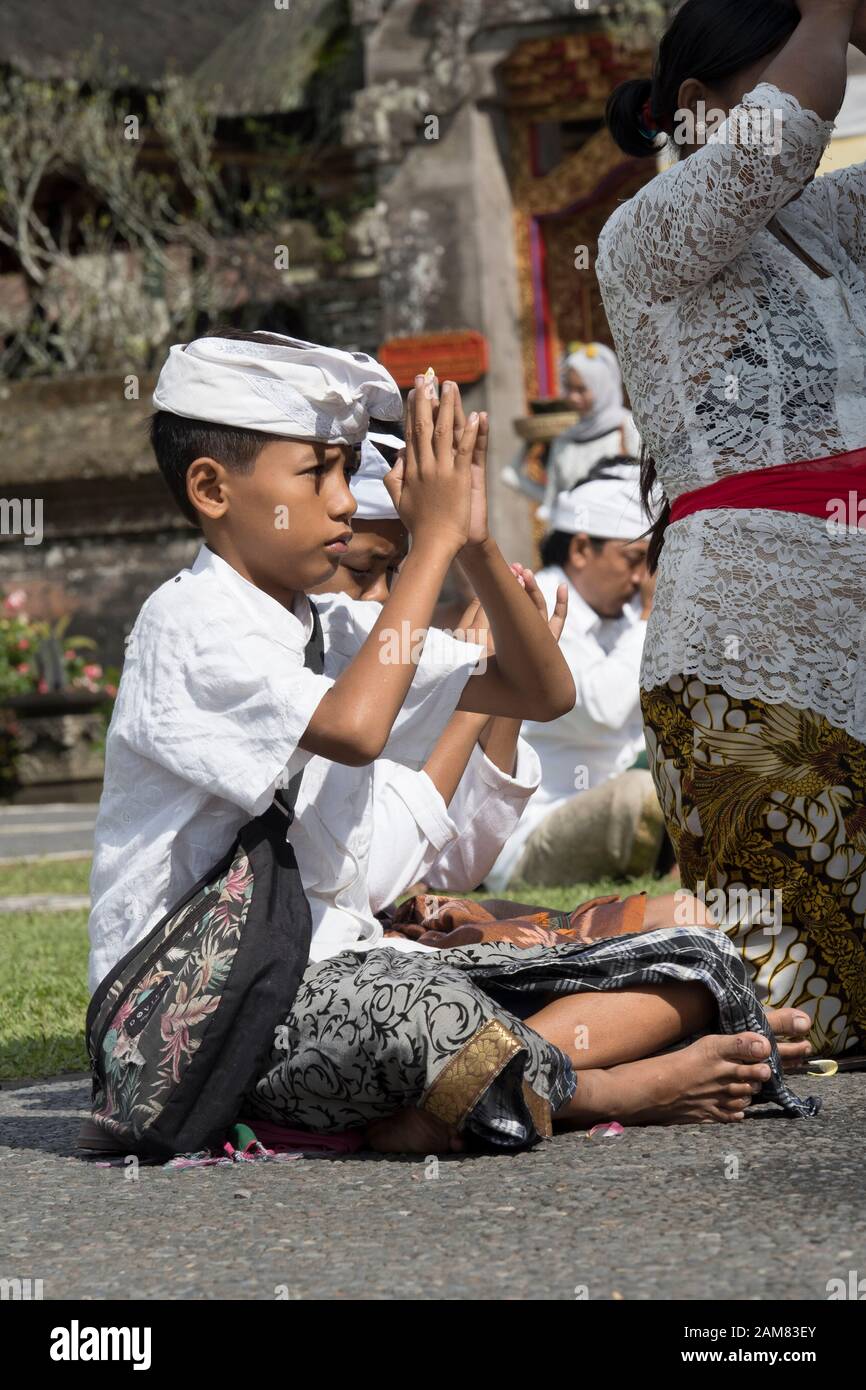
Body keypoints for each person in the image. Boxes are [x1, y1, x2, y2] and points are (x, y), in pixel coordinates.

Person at [87, 329, 814, 1155]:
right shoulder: (185, 627)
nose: (340, 501)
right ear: (213, 488)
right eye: (316, 473)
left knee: (686, 958)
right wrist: (428, 541)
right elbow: (356, 731)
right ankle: (607, 1088)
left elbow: (541, 689)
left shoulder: (337, 626)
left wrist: (470, 540)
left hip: (346, 977)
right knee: (421, 1007)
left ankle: (458, 1104)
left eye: (342, 471)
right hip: (202, 1021)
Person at [598, 0, 866, 1057]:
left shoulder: (835, 222)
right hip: (744, 676)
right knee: (808, 1022)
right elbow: (788, 127)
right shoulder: (640, 236)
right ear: (699, 109)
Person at [310, 426, 544, 895]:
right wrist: (474, 687)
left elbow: (454, 867)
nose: (381, 598)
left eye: (395, 573)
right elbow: (371, 880)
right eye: (361, 572)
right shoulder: (266, 644)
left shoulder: (396, 651)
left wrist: (502, 689)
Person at [487, 459, 666, 891]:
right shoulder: (536, 603)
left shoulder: (622, 617)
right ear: (582, 549)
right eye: (633, 560)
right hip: (538, 833)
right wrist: (650, 615)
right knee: (639, 796)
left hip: (618, 804)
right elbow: (602, 708)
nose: (643, 578)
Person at [537, 343, 641, 522]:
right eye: (569, 388)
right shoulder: (564, 440)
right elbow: (553, 498)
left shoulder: (629, 427)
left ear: (603, 386)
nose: (573, 397)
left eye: (581, 389)